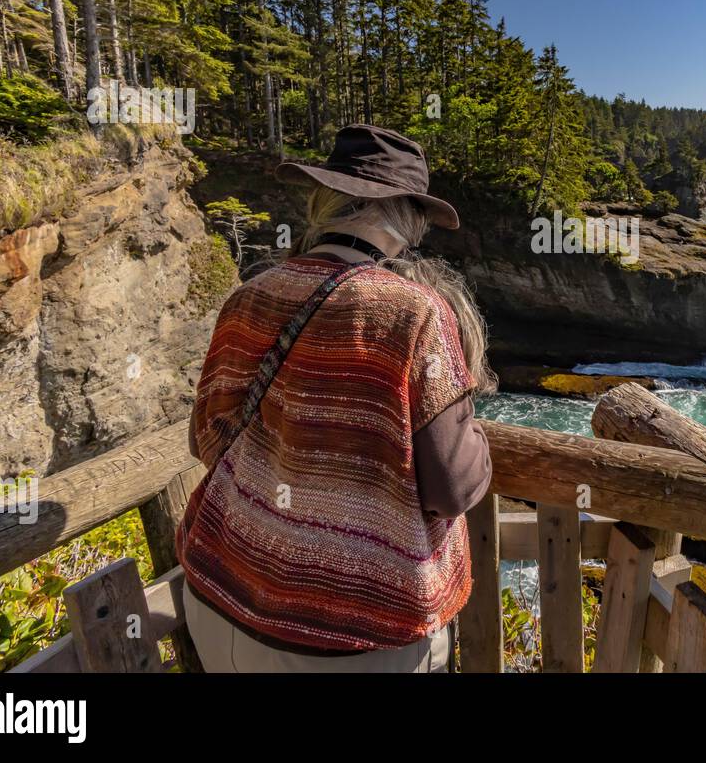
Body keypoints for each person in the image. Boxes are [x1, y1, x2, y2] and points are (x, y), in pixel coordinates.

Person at [176, 125, 495, 672]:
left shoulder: (249, 296)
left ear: (325, 200)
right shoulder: (414, 312)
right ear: (405, 217)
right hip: (348, 633)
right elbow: (453, 486)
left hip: (220, 590)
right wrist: (477, 434)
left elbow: (205, 439)